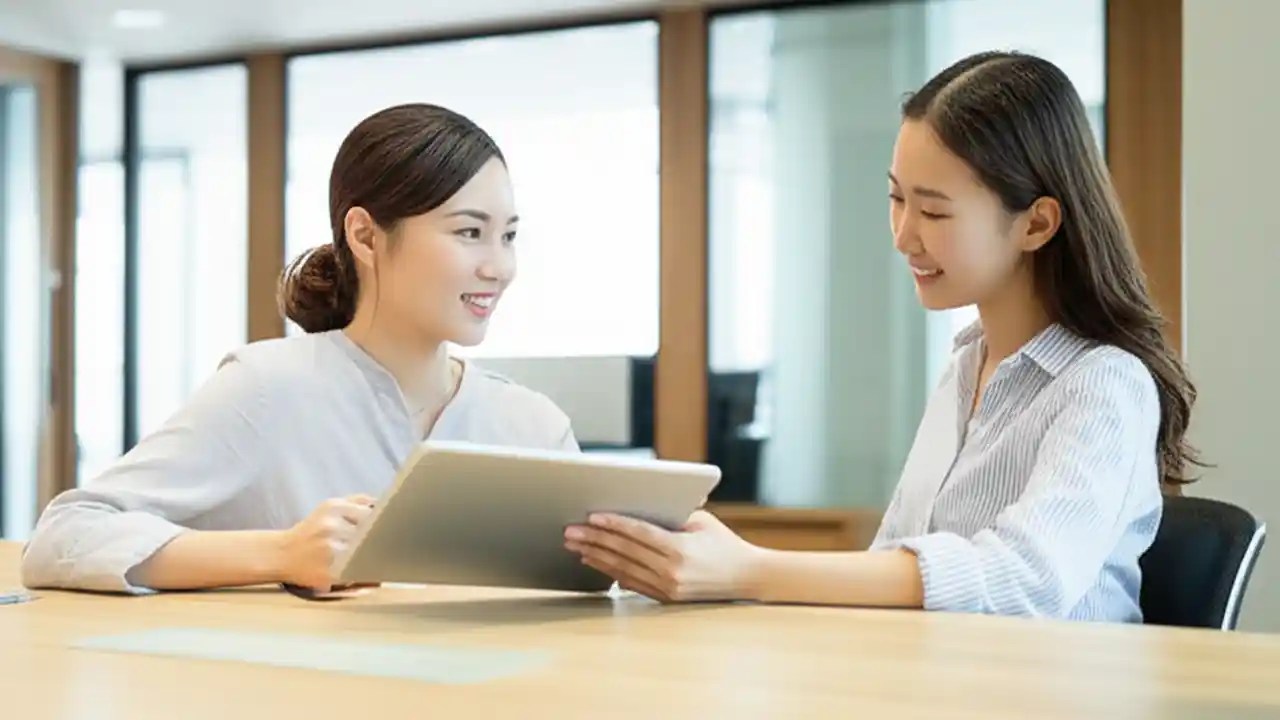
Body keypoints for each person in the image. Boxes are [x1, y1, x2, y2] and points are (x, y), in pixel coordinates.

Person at [564, 51, 1200, 623]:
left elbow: (1026, 579)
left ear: (1036, 224)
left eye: (934, 211)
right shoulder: (965, 368)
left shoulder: (1105, 384)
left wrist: (751, 570)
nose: (903, 235)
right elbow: (895, 557)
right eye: (897, 200)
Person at [22, 103, 578, 595]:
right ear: (365, 236)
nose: (499, 267)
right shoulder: (269, 388)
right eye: (469, 233)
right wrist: (282, 552)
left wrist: (639, 575)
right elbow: (65, 535)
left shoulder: (533, 427)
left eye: (508, 236)